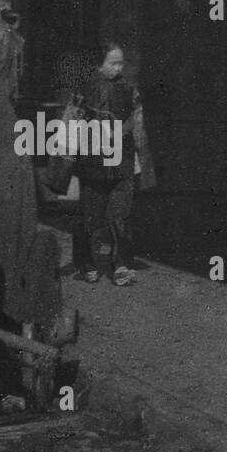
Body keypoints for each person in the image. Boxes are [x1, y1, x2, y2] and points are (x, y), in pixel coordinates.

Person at [73, 42, 153, 286]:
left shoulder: (130, 90)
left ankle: (121, 265)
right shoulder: (85, 88)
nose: (118, 68)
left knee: (121, 215)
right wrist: (66, 160)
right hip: (93, 162)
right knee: (91, 216)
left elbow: (138, 125)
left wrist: (142, 162)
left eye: (121, 63)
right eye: (113, 63)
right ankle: (87, 264)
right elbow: (71, 122)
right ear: (100, 64)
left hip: (122, 162)